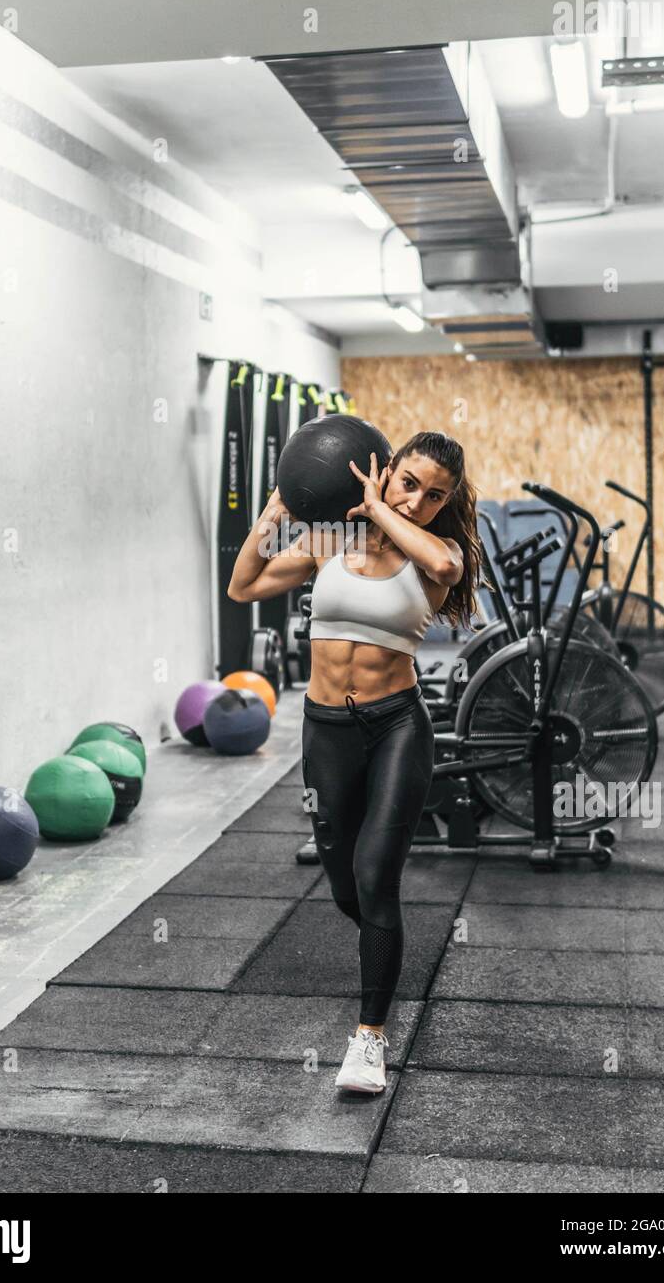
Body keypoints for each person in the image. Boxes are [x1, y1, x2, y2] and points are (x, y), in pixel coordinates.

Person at [227, 430, 481, 1093]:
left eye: (435, 494)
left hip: (398, 728)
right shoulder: (328, 545)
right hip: (326, 732)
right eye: (409, 482)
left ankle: (369, 1040)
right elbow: (243, 586)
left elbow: (451, 571)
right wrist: (272, 517)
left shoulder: (436, 555)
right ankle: (384, 939)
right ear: (386, 469)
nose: (418, 498)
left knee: (375, 876)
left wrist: (382, 511)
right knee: (347, 888)